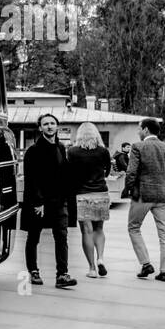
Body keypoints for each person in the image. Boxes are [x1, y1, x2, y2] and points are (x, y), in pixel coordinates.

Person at [22, 113, 77, 288]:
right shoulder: (33, 151)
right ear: (40, 128)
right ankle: (33, 271)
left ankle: (62, 274)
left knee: (61, 236)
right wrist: (38, 202)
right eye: (45, 124)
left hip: (59, 201)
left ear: (57, 126)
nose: (49, 126)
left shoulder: (61, 147)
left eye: (52, 123)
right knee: (34, 236)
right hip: (39, 202)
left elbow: (64, 174)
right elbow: (31, 178)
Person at [125, 117, 165, 281]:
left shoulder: (138, 147)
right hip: (163, 195)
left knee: (133, 227)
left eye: (139, 128)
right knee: (164, 234)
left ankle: (146, 263)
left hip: (143, 194)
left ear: (146, 129)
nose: (138, 132)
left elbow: (131, 172)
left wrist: (129, 189)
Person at [67, 122, 112, 278]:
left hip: (82, 194)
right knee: (99, 229)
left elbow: (69, 174)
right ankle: (100, 258)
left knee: (87, 231)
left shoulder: (72, 152)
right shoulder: (103, 151)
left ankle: (92, 268)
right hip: (101, 193)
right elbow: (107, 171)